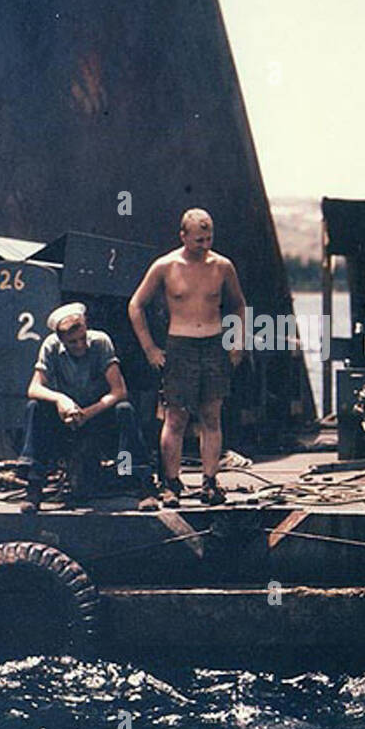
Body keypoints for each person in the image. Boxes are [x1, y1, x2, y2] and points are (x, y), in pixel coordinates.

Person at [128, 209, 246, 506]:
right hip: (180, 346)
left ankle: (209, 481)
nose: (204, 245)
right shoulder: (166, 266)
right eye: (198, 240)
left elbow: (239, 306)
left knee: (211, 415)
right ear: (183, 236)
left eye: (208, 239)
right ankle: (171, 483)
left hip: (213, 344)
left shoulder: (222, 266)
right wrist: (150, 349)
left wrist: (237, 343)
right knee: (176, 417)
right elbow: (136, 305)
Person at [20, 303, 153, 512]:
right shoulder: (50, 346)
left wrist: (88, 413)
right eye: (73, 342)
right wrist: (60, 400)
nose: (80, 345)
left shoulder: (101, 342)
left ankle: (141, 484)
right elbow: (34, 388)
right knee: (35, 407)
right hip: (66, 418)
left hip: (98, 415)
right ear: (61, 339)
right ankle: (34, 486)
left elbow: (119, 391)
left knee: (124, 410)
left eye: (82, 338)